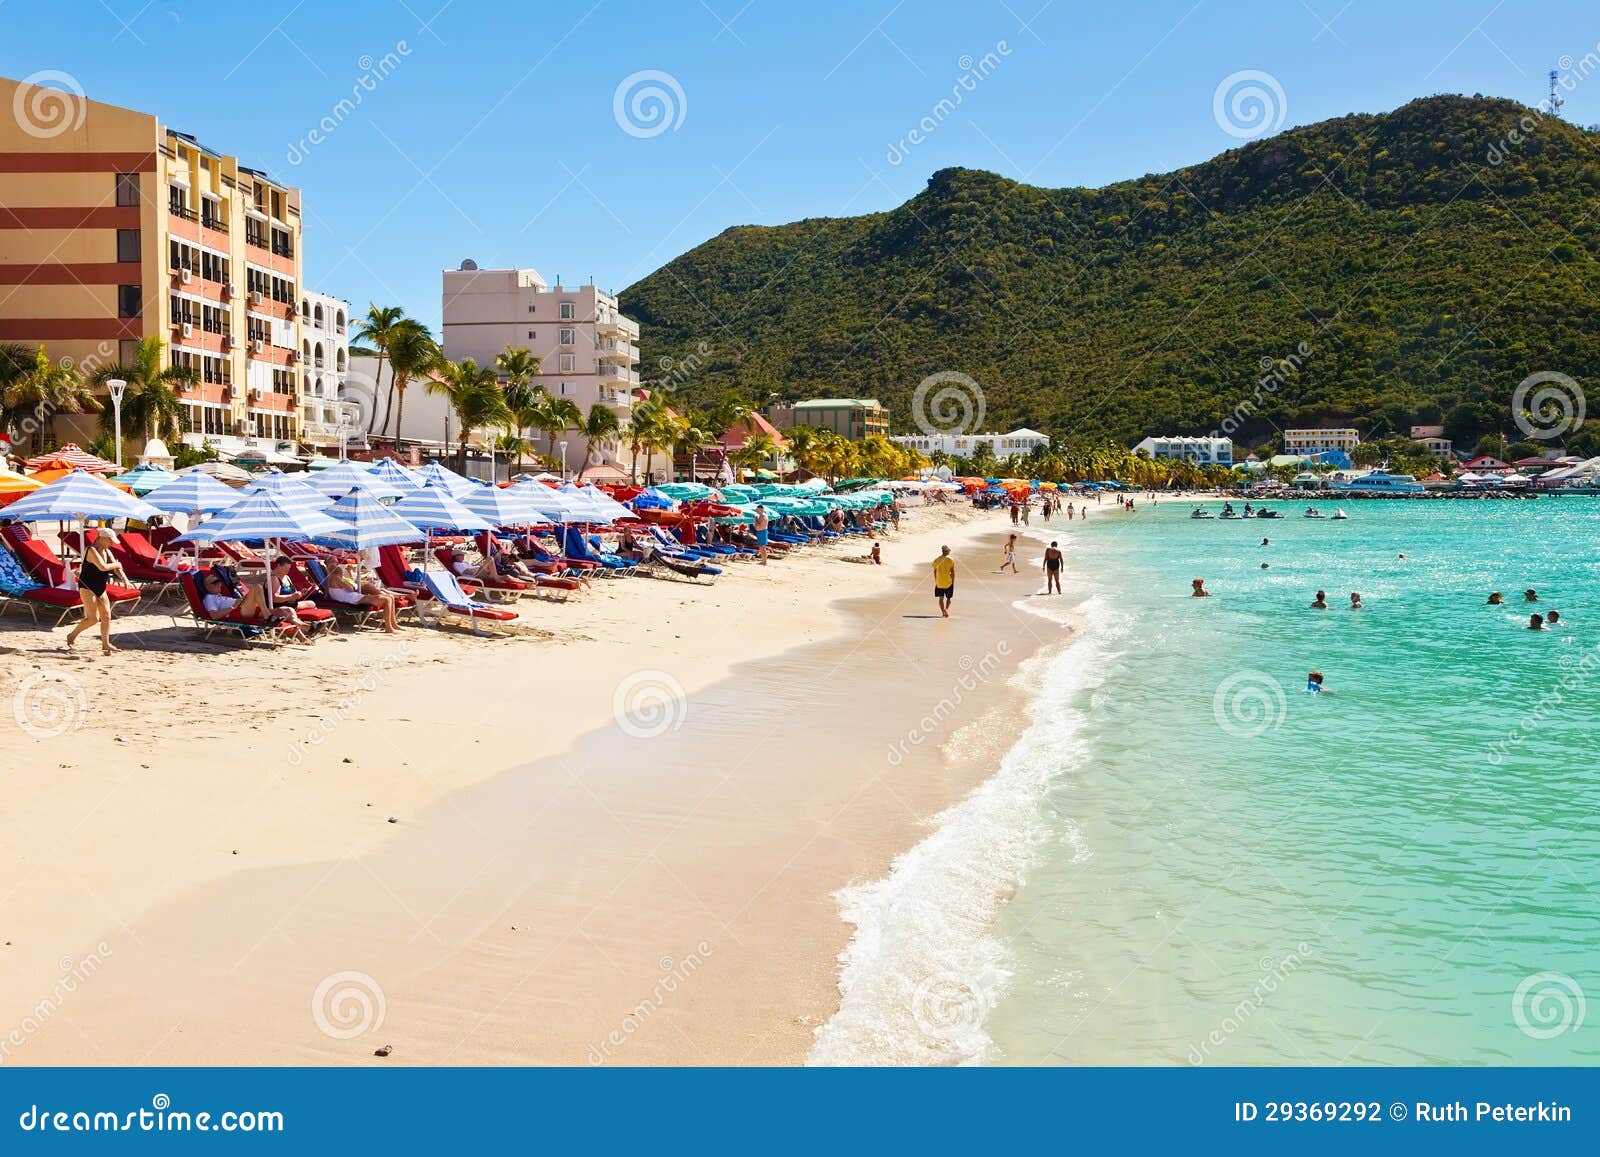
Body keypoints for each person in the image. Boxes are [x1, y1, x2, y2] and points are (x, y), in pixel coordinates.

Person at [65, 530, 131, 655]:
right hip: (87, 587)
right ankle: (72, 635)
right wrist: (117, 564)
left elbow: (117, 568)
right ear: (101, 538)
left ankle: (106, 644)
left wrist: (125, 579)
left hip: (100, 587)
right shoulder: (91, 550)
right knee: (93, 619)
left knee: (106, 616)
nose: (112, 543)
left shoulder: (107, 551)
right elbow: (103, 567)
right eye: (110, 540)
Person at [327, 556, 399, 633]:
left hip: (352, 597)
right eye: (334, 562)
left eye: (337, 562)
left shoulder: (331, 578)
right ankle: (389, 627)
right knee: (387, 599)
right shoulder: (336, 578)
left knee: (390, 597)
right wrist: (345, 582)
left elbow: (330, 591)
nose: (337, 564)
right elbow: (351, 589)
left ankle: (393, 624)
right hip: (353, 598)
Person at [932, 546, 956, 618]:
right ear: (947, 551)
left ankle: (943, 612)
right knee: (948, 598)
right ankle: (946, 609)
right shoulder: (950, 559)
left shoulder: (936, 560)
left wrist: (936, 580)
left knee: (941, 599)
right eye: (949, 551)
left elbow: (935, 571)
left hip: (939, 582)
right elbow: (952, 572)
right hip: (948, 582)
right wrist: (953, 581)